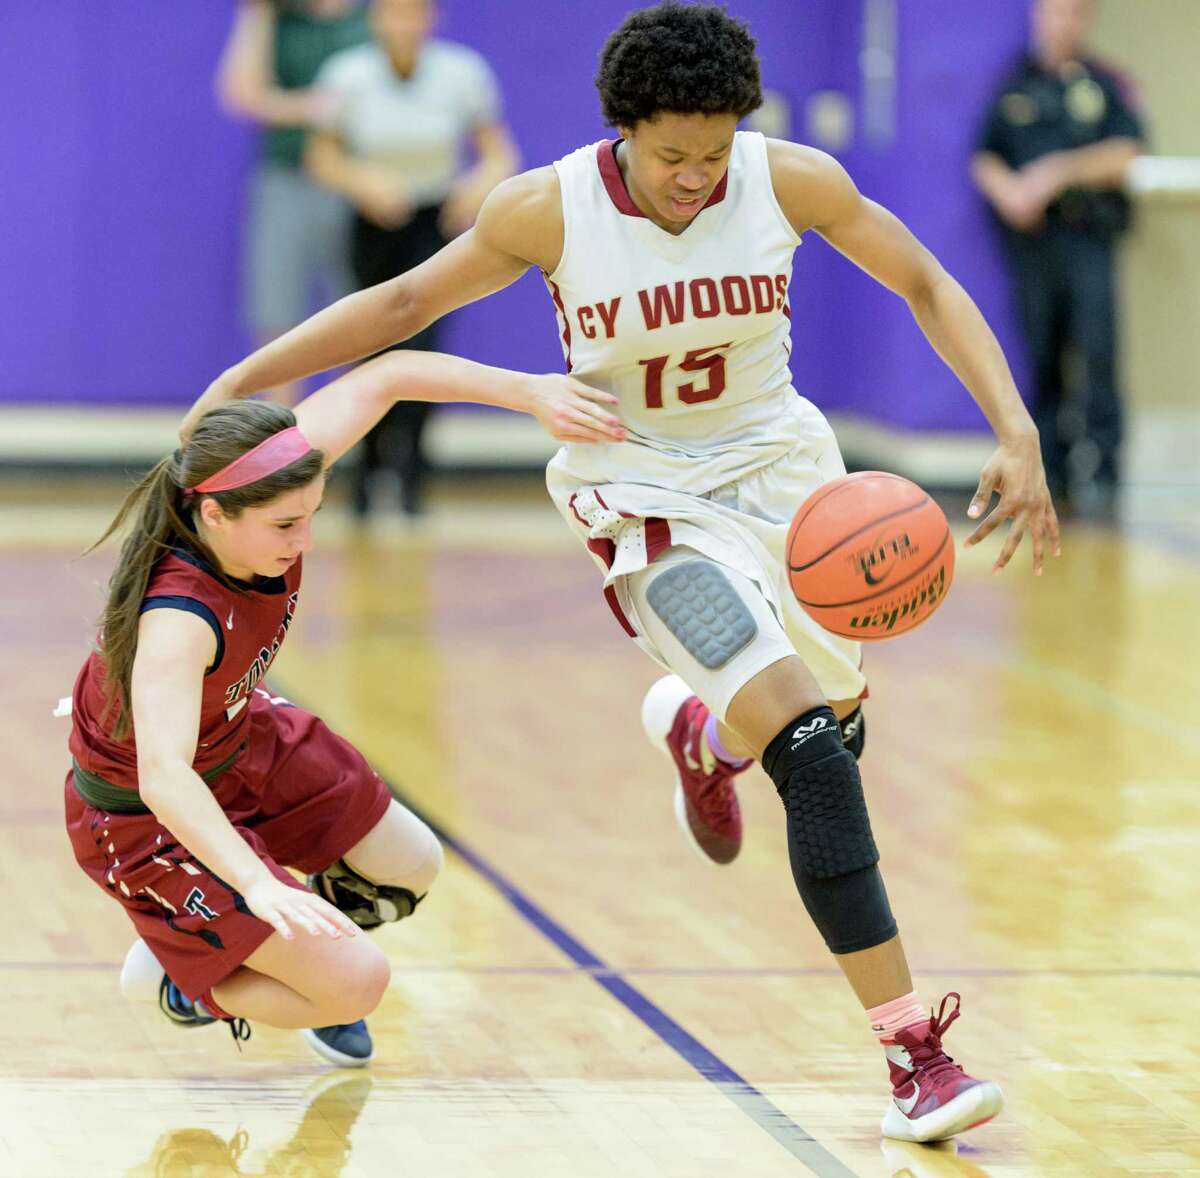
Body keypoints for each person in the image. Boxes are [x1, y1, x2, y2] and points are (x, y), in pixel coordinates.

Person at [182, 2, 1060, 1140]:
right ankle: (913, 1056)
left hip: (788, 479)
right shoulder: (545, 207)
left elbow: (928, 281)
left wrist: (1015, 426)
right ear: (623, 133)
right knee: (812, 755)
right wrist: (240, 383)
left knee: (836, 723)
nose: (696, 177)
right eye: (671, 156)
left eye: (715, 151)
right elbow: (402, 305)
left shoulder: (788, 178)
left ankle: (704, 735)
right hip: (641, 492)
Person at [65, 351, 622, 1067]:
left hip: (239, 735)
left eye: (313, 516)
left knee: (410, 865)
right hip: (146, 818)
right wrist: (258, 883)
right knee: (356, 985)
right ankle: (191, 980)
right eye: (285, 527)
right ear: (214, 514)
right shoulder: (178, 621)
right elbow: (164, 778)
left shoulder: (272, 471)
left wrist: (531, 392)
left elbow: (390, 375)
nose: (305, 541)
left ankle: (262, 946)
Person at [306, 0, 519, 517]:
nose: (403, 25)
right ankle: (365, 473)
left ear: (430, 19)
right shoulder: (346, 74)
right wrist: (363, 183)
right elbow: (322, 156)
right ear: (376, 20)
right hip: (373, 221)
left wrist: (476, 188)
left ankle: (412, 476)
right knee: (366, 342)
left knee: (426, 345)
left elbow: (498, 153)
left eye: (413, 13)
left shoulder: (461, 72)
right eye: (393, 14)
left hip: (435, 220)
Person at [972, 0, 1144, 510]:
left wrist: (1056, 172)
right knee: (1041, 356)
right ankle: (1056, 474)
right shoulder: (1015, 83)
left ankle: (1108, 472)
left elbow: (1127, 152)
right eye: (1053, 12)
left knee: (1098, 353)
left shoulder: (1104, 84)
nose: (1061, 23)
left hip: (1088, 239)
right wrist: (1011, 192)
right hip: (1034, 248)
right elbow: (984, 155)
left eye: (1072, 13)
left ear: (1085, 19)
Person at [216, 0, 372, 408]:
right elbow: (243, 93)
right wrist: (315, 107)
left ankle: (355, 437)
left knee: (362, 314)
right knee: (277, 311)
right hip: (287, 175)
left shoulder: (368, 17)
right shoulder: (276, 16)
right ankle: (279, 436)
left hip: (359, 182)